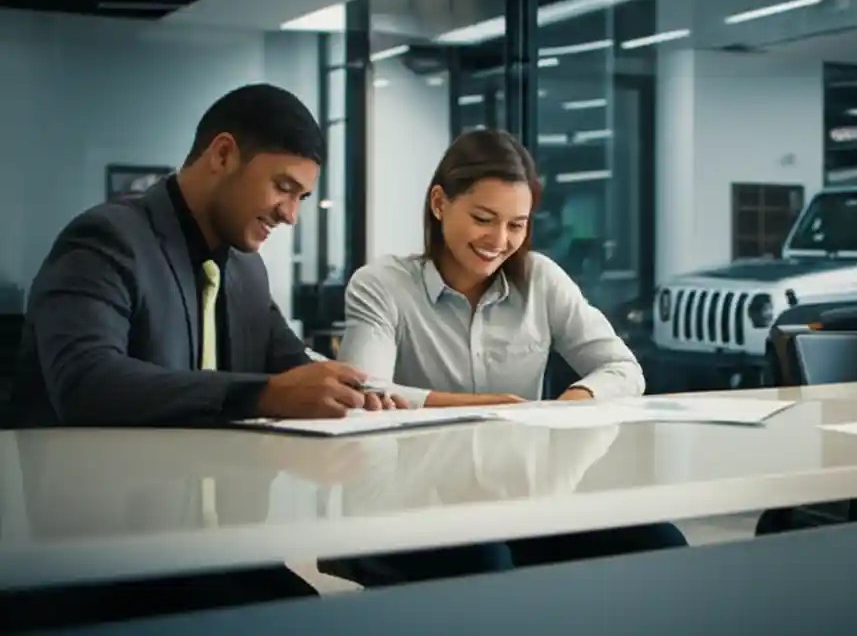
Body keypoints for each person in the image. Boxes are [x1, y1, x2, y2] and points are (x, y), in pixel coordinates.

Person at [5, 83, 402, 626]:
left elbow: (294, 366)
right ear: (222, 155)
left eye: (302, 198)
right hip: (99, 559)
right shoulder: (105, 239)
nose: (290, 215)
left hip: (210, 549)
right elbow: (86, 382)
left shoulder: (245, 269)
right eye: (283, 188)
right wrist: (264, 394)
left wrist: (358, 394)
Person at [327, 128, 686, 585]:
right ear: (440, 203)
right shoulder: (381, 285)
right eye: (483, 218)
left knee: (659, 542)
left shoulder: (541, 281)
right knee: (486, 564)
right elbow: (366, 396)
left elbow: (623, 369)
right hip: (410, 507)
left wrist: (567, 405)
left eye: (517, 224)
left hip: (520, 503)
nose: (499, 239)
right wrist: (492, 409)